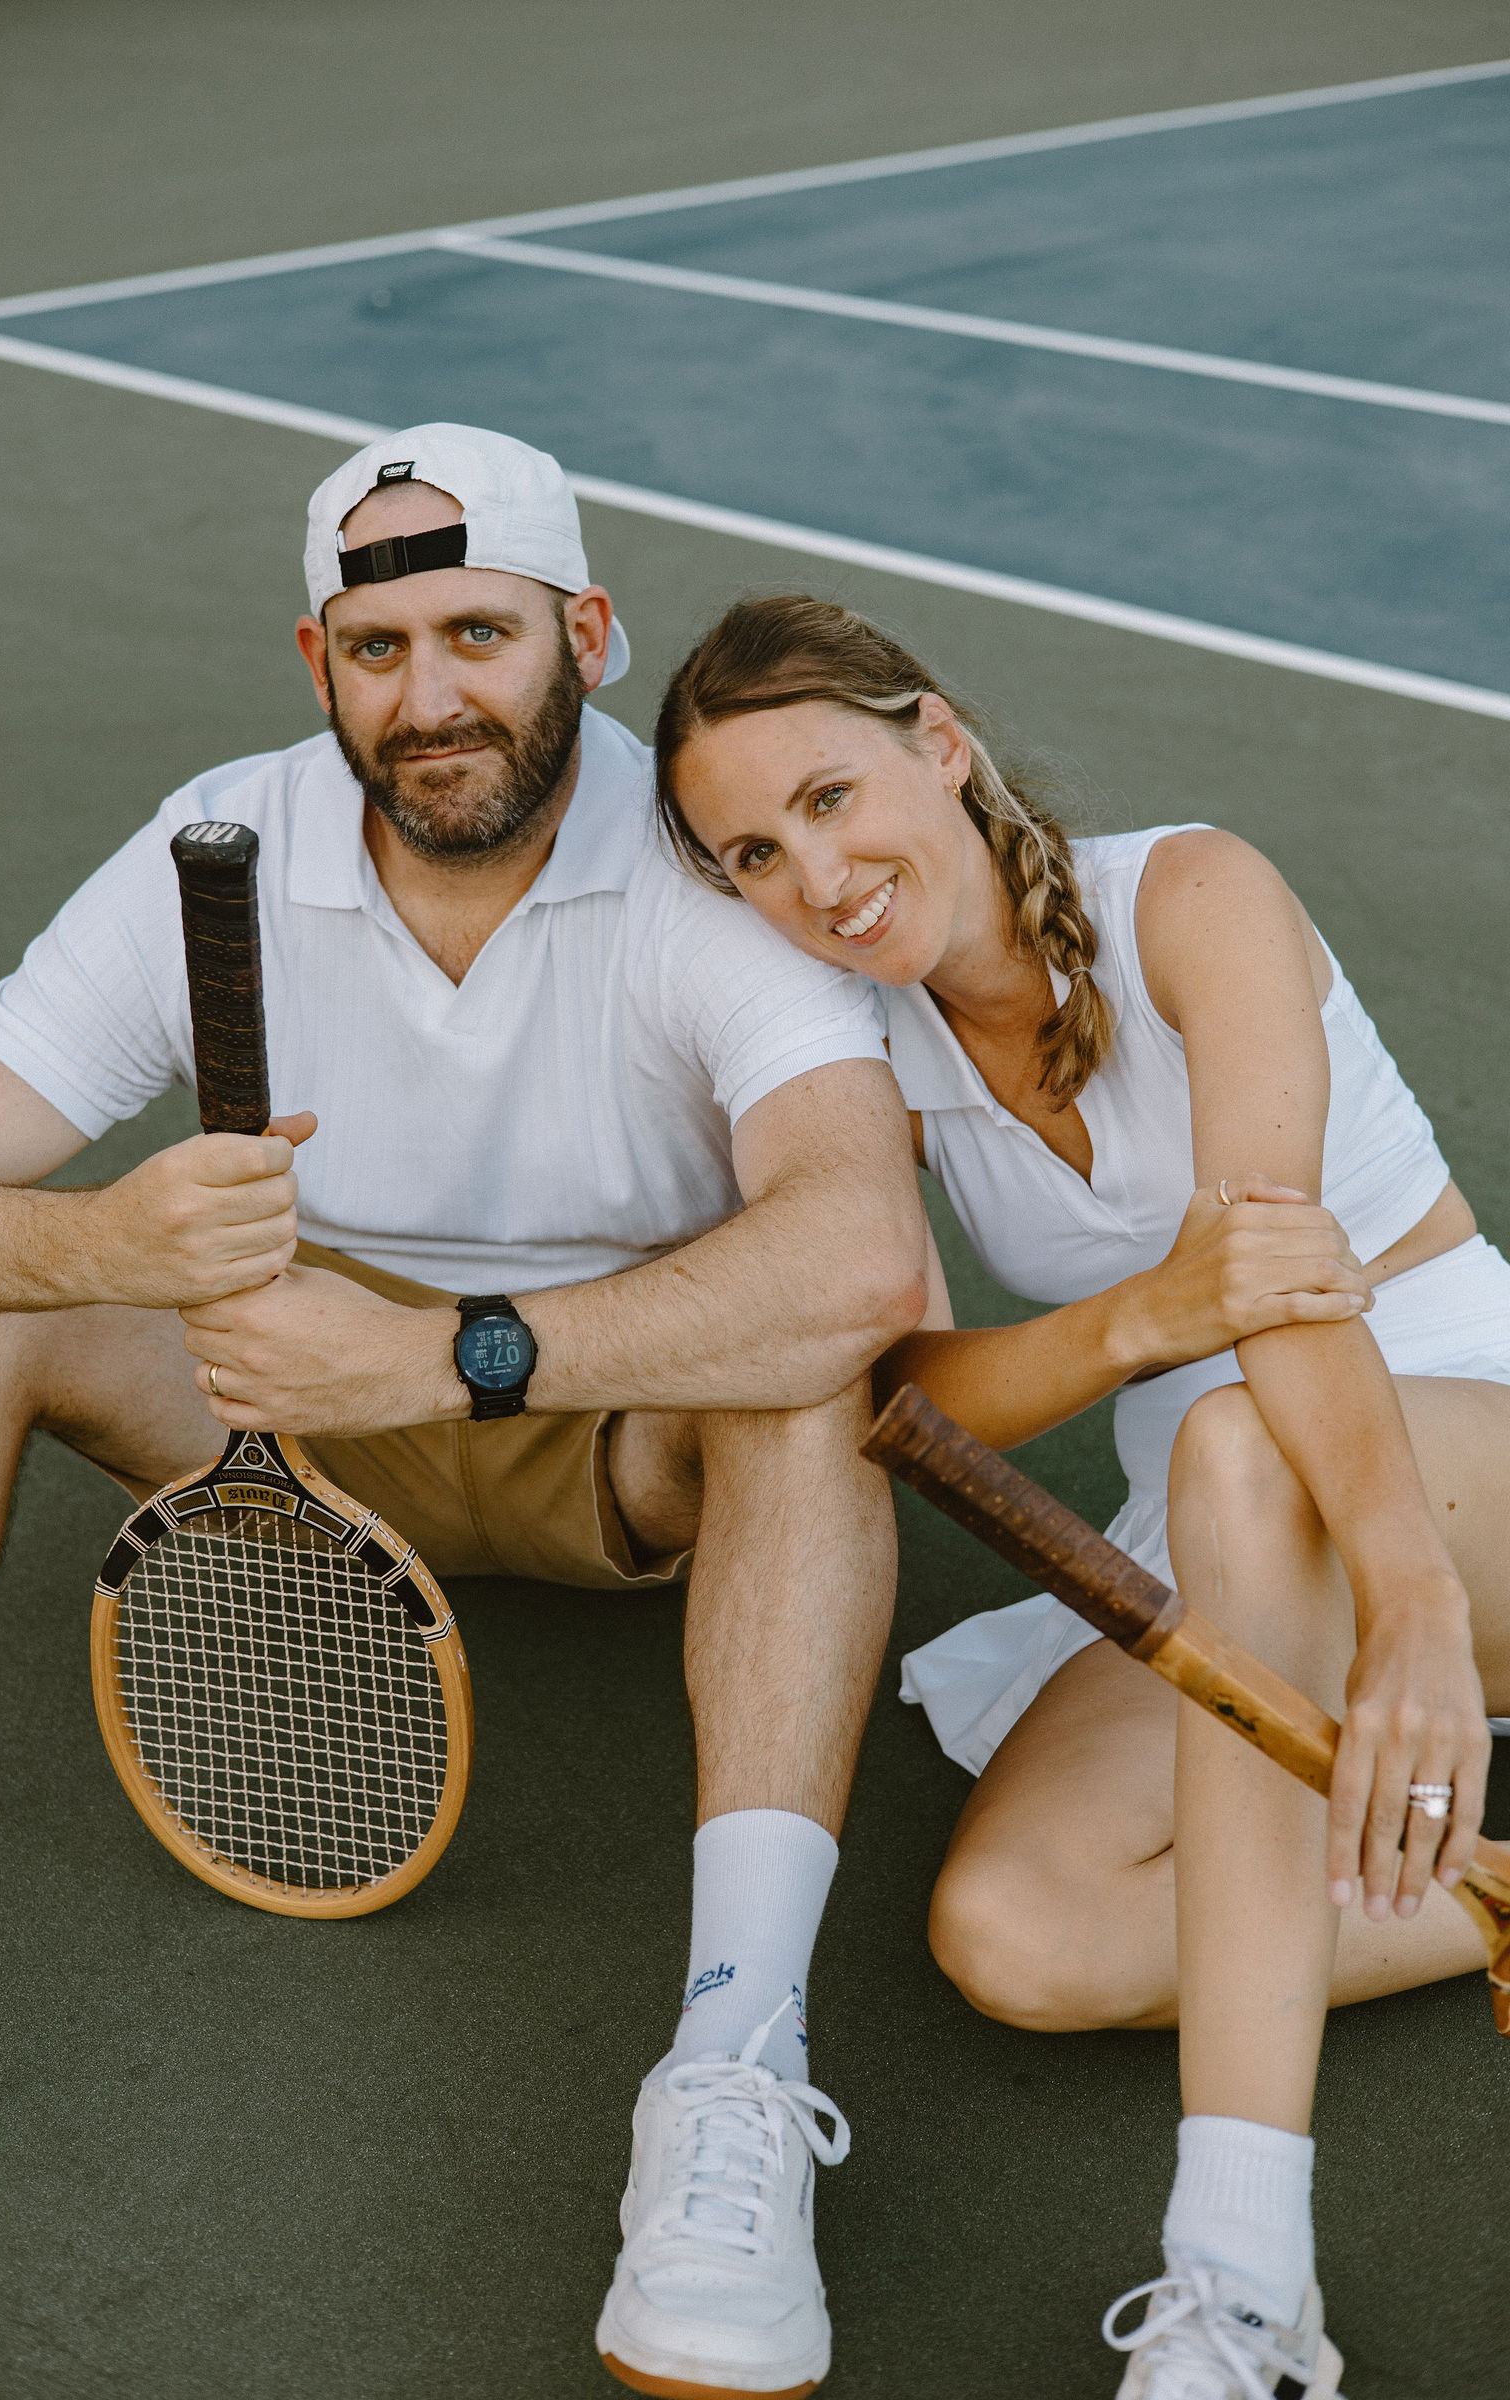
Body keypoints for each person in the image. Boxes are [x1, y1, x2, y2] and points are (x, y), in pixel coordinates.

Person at [0, 437, 933, 2400]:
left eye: (479, 632)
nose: (430, 693)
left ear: (584, 635)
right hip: (264, 1388)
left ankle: (731, 2064)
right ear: (317, 657)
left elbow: (863, 1253)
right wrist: (84, 1231)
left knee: (812, 1372)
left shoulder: (695, 855)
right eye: (377, 646)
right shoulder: (222, 838)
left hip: (604, 1417)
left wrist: (454, 1352)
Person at [653, 593, 1510, 2397]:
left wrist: (1415, 1596)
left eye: (828, 796)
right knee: (1014, 1936)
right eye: (751, 850)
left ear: (938, 744)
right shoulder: (859, 1052)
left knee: (1233, 1440)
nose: (813, 874)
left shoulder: (1192, 896)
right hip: (1232, 1526)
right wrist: (1131, 1322)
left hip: (1452, 1450)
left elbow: (1281, 1294)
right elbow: (896, 1389)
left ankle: (1246, 2287)